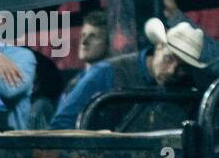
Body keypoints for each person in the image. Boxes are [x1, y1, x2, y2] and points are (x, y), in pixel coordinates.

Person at [52, 16, 208, 130]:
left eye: (183, 67)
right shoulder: (107, 72)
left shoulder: (183, 88)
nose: (172, 70)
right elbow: (62, 124)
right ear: (159, 46)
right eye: (169, 59)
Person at [64, 8, 110, 91]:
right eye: (83, 35)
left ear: (108, 44)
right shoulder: (76, 79)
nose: (84, 42)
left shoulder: (107, 80)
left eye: (93, 36)